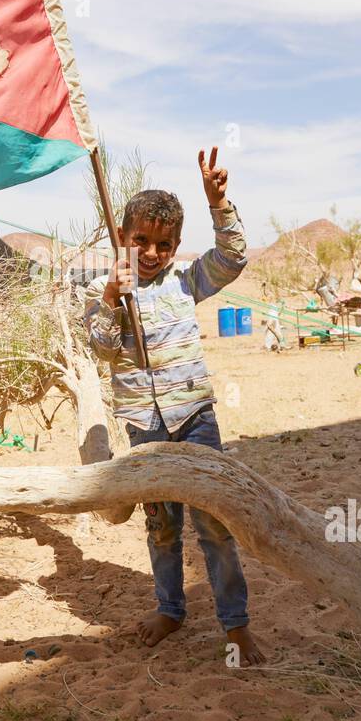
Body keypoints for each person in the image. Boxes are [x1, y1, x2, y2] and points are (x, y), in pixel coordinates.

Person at [83, 147, 264, 664]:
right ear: (122, 238)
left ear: (176, 245)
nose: (152, 252)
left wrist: (218, 202)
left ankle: (236, 624)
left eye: (164, 244)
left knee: (215, 524)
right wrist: (115, 302)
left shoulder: (185, 285)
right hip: (145, 428)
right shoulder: (101, 289)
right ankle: (170, 609)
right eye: (140, 240)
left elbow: (233, 257)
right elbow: (102, 349)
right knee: (162, 525)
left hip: (195, 421)